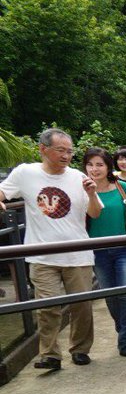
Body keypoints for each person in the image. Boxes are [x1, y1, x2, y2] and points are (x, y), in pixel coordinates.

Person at [0, 128, 101, 371]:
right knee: (48, 307)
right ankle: (50, 354)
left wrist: (91, 193)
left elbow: (95, 213)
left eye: (70, 151)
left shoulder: (78, 177)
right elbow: (3, 191)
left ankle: (80, 349)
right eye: (60, 150)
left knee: (82, 306)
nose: (66, 155)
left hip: (77, 253)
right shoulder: (25, 173)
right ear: (43, 149)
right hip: (42, 254)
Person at [83, 147, 126, 358]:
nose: (94, 169)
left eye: (99, 164)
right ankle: (123, 329)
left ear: (108, 166)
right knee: (110, 295)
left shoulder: (121, 187)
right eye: (90, 164)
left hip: (125, 249)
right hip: (97, 251)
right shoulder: (81, 190)